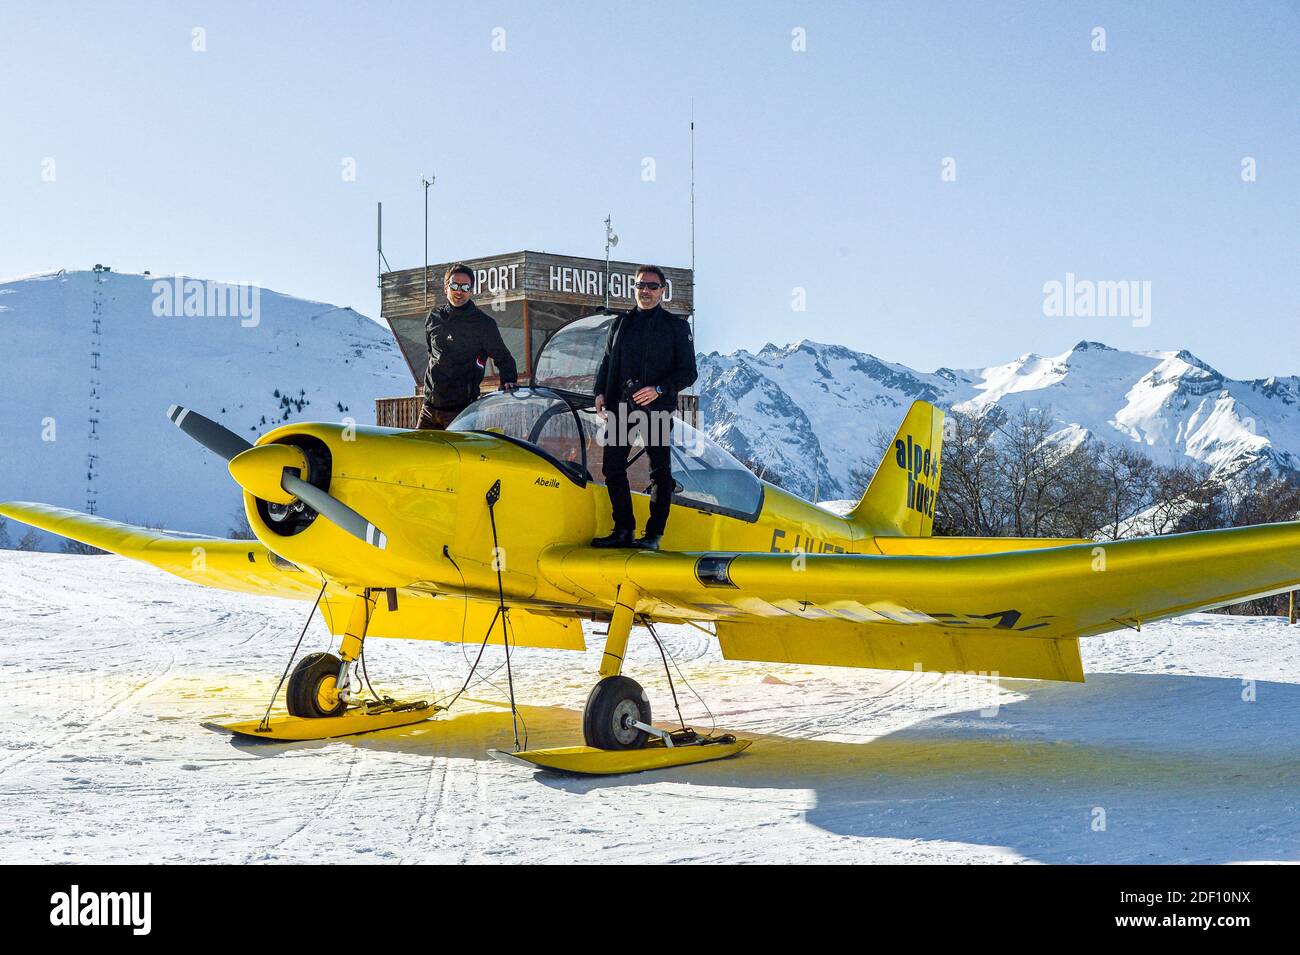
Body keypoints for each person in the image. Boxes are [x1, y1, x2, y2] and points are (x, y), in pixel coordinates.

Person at [590, 265, 696, 550]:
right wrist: (599, 391)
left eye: (651, 286)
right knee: (612, 469)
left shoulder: (677, 327)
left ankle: (653, 536)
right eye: (640, 286)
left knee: (659, 473)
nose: (645, 291)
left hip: (657, 409)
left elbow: (689, 373)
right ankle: (623, 529)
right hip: (621, 407)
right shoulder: (620, 324)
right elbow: (606, 362)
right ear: (634, 288)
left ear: (663, 290)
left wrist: (659, 389)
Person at [417, 264, 518, 430]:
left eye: (465, 287)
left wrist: (508, 380)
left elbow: (503, 356)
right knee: (420, 455)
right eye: (454, 286)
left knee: (457, 457)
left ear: (471, 290)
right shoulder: (433, 317)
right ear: (445, 288)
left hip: (461, 414)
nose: (459, 291)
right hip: (429, 409)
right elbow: (432, 354)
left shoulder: (483, 324)